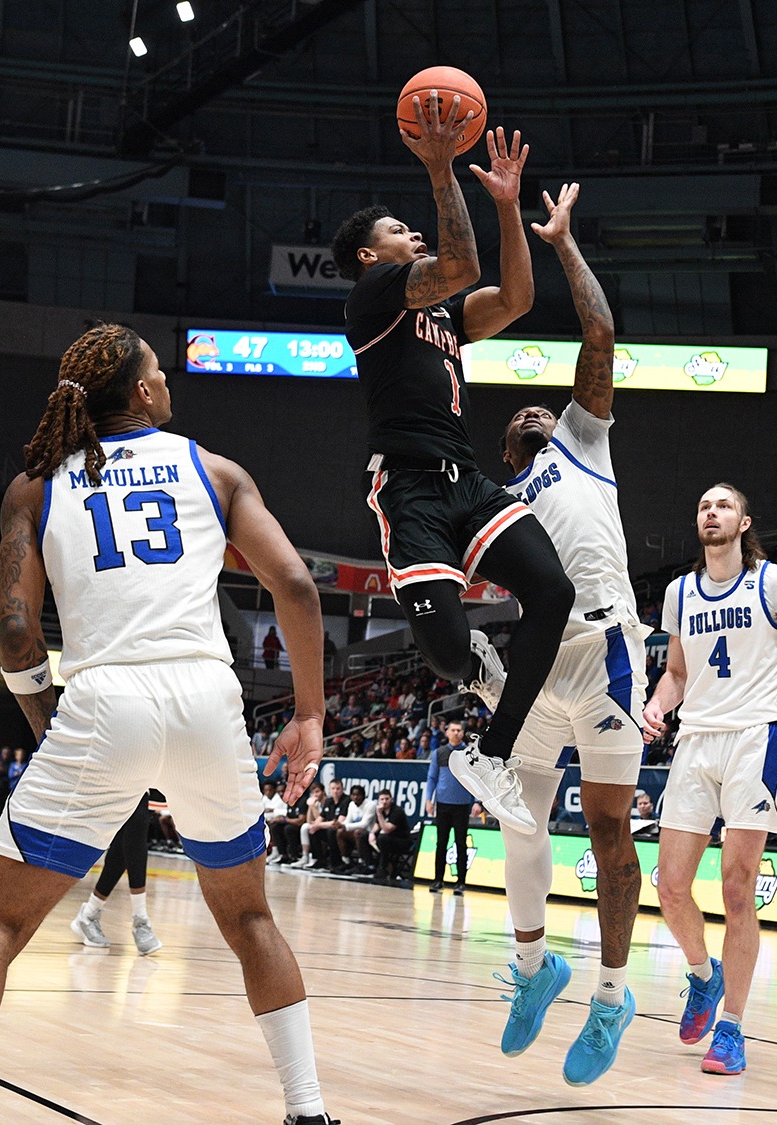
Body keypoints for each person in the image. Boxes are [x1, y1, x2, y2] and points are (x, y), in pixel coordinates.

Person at [0, 323, 337, 1125]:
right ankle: (309, 1111)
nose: (168, 379)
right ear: (142, 392)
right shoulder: (215, 470)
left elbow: (12, 630)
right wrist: (308, 712)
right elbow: (298, 590)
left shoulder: (35, 488)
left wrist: (45, 716)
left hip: (106, 699)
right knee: (250, 919)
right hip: (208, 701)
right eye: (160, 372)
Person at [332, 103, 572, 836]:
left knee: (552, 589)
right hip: (406, 485)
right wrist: (439, 168)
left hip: (464, 479)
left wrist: (506, 208)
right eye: (396, 231)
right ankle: (468, 661)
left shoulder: (441, 315)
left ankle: (491, 754)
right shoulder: (373, 296)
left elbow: (517, 297)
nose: (411, 231)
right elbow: (461, 265)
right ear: (371, 256)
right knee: (441, 655)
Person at [486, 181, 649, 1086]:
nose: (534, 413)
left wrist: (560, 243)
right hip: (539, 667)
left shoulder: (583, 444)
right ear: (507, 452)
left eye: (539, 411)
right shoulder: (500, 501)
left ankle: (613, 993)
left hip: (609, 654)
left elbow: (599, 337)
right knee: (519, 814)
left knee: (610, 830)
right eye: (520, 421)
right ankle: (534, 964)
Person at [643, 483, 777, 1077]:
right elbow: (677, 670)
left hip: (758, 738)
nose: (711, 513)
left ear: (745, 522)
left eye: (722, 506)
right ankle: (703, 976)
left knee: (736, 887)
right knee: (670, 886)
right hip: (695, 741)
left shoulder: (776, 582)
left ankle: (733, 1027)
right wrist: (657, 703)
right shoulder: (679, 591)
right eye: (702, 506)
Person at [67, 793, 162, 956]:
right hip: (127, 771)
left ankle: (90, 912)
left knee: (127, 835)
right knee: (138, 820)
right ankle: (140, 919)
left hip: (154, 772)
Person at [424, 720, 475, 894]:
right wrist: (428, 800)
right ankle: (438, 880)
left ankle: (461, 882)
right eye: (453, 730)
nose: (456, 733)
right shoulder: (439, 753)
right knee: (441, 843)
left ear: (463, 733)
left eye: (459, 730)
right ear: (447, 732)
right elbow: (432, 778)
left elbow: (476, 779)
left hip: (462, 805)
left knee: (461, 843)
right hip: (443, 804)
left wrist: (477, 802)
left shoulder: (469, 753)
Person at [370, 790, 413, 885]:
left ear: (391, 799)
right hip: (388, 839)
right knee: (364, 836)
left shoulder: (397, 811)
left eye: (387, 799)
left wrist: (379, 814)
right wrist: (371, 833)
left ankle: (383, 868)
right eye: (382, 799)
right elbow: (377, 825)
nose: (384, 802)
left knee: (382, 838)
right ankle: (369, 865)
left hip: (402, 840)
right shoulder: (381, 810)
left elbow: (387, 829)